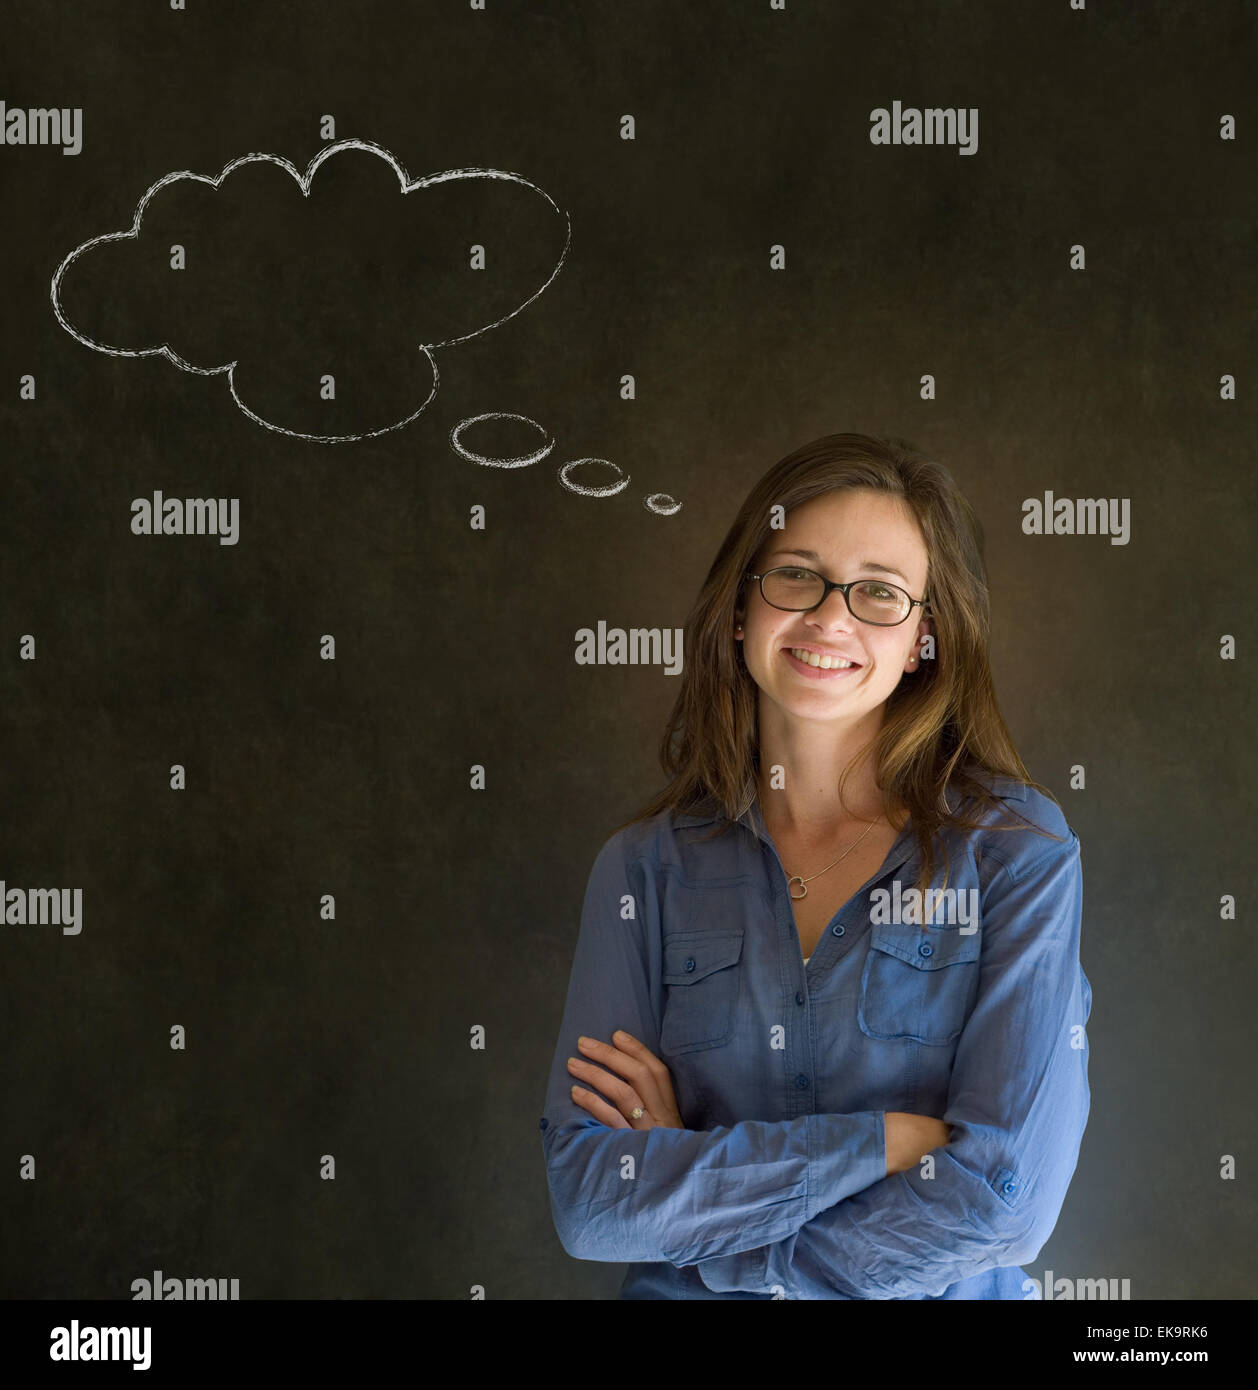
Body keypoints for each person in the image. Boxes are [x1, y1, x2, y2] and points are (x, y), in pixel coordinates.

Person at [538, 432, 1092, 1299]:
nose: (830, 618)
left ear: (925, 639)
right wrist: (878, 1142)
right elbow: (593, 1204)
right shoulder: (641, 871)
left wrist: (711, 1219)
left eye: (879, 592)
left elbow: (1003, 1202)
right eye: (796, 574)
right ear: (740, 607)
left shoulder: (1017, 854)